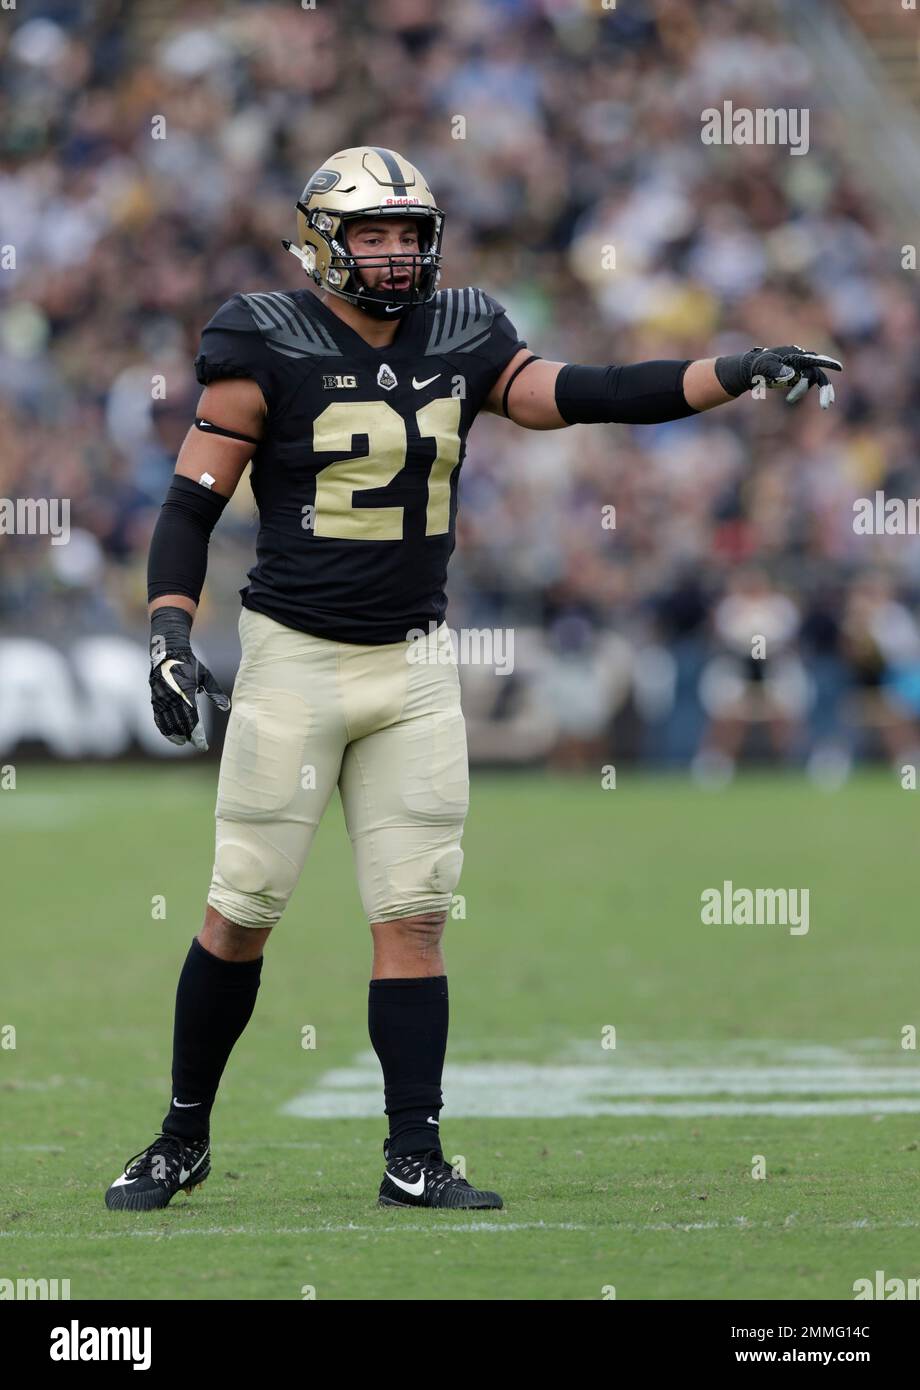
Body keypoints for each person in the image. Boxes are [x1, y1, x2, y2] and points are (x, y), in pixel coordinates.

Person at [105, 145, 841, 1212]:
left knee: (412, 914)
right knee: (242, 906)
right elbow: (188, 507)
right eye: (374, 234)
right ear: (323, 241)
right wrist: (171, 633)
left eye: (409, 234)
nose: (397, 255)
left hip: (411, 662)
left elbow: (581, 393)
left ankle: (414, 1155)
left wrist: (725, 371)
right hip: (293, 660)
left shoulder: (463, 332)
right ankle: (181, 1137)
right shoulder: (258, 335)